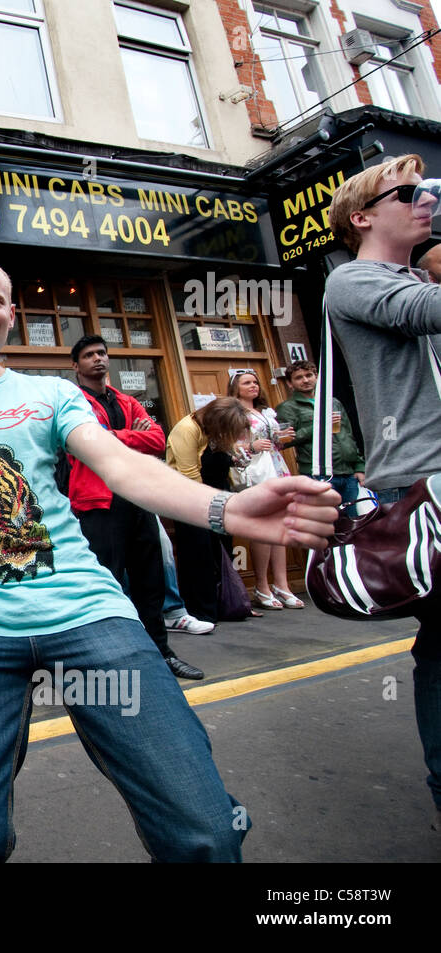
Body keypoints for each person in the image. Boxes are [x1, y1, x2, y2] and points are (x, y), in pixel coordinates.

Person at [0, 260, 342, 862]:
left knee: (205, 830)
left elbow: (122, 466)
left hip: (88, 616)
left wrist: (228, 510)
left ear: (11, 316)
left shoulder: (50, 393)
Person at [325, 153, 441, 832]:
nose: (424, 200)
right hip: (424, 474)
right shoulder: (352, 280)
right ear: (364, 215)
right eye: (409, 192)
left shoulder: (408, 271)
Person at [67, 334, 203, 680]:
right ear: (76, 365)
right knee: (104, 583)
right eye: (89, 355)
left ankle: (160, 654)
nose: (98, 359)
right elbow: (88, 442)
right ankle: (104, 660)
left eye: (102, 353)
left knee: (150, 582)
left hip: (138, 499)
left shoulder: (126, 400)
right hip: (97, 504)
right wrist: (126, 436)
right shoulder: (74, 402)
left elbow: (157, 440)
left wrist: (113, 436)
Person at [164, 397, 254, 625]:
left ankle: (228, 603)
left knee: (222, 551)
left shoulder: (212, 430)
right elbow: (190, 474)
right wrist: (211, 506)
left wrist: (235, 459)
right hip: (189, 500)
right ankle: (203, 611)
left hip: (214, 497)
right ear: (217, 421)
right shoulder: (187, 430)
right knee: (198, 555)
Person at [228, 370, 303, 610]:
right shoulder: (232, 412)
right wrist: (251, 445)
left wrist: (280, 437)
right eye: (246, 382)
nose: (253, 386)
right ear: (235, 388)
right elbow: (228, 445)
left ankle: (282, 584)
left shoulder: (265, 411)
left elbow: (272, 441)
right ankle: (262, 586)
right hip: (254, 473)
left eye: (255, 382)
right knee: (262, 529)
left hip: (275, 468)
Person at [274, 360, 366, 507]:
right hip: (318, 474)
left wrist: (359, 467)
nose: (305, 380)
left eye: (309, 375)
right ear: (290, 384)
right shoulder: (287, 408)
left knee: (355, 522)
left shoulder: (333, 402)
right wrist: (320, 425)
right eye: (299, 377)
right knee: (330, 523)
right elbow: (283, 442)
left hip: (348, 473)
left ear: (316, 377)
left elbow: (348, 435)